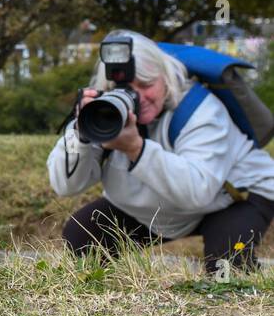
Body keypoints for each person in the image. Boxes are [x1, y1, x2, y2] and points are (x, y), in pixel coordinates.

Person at [48, 30, 274, 275]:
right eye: (124, 88)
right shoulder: (104, 111)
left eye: (146, 85)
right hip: (165, 204)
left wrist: (136, 148)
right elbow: (65, 186)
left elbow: (198, 192)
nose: (137, 97)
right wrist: (81, 135)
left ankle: (249, 277)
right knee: (82, 235)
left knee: (226, 269)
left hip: (233, 195)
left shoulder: (201, 110)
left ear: (166, 76)